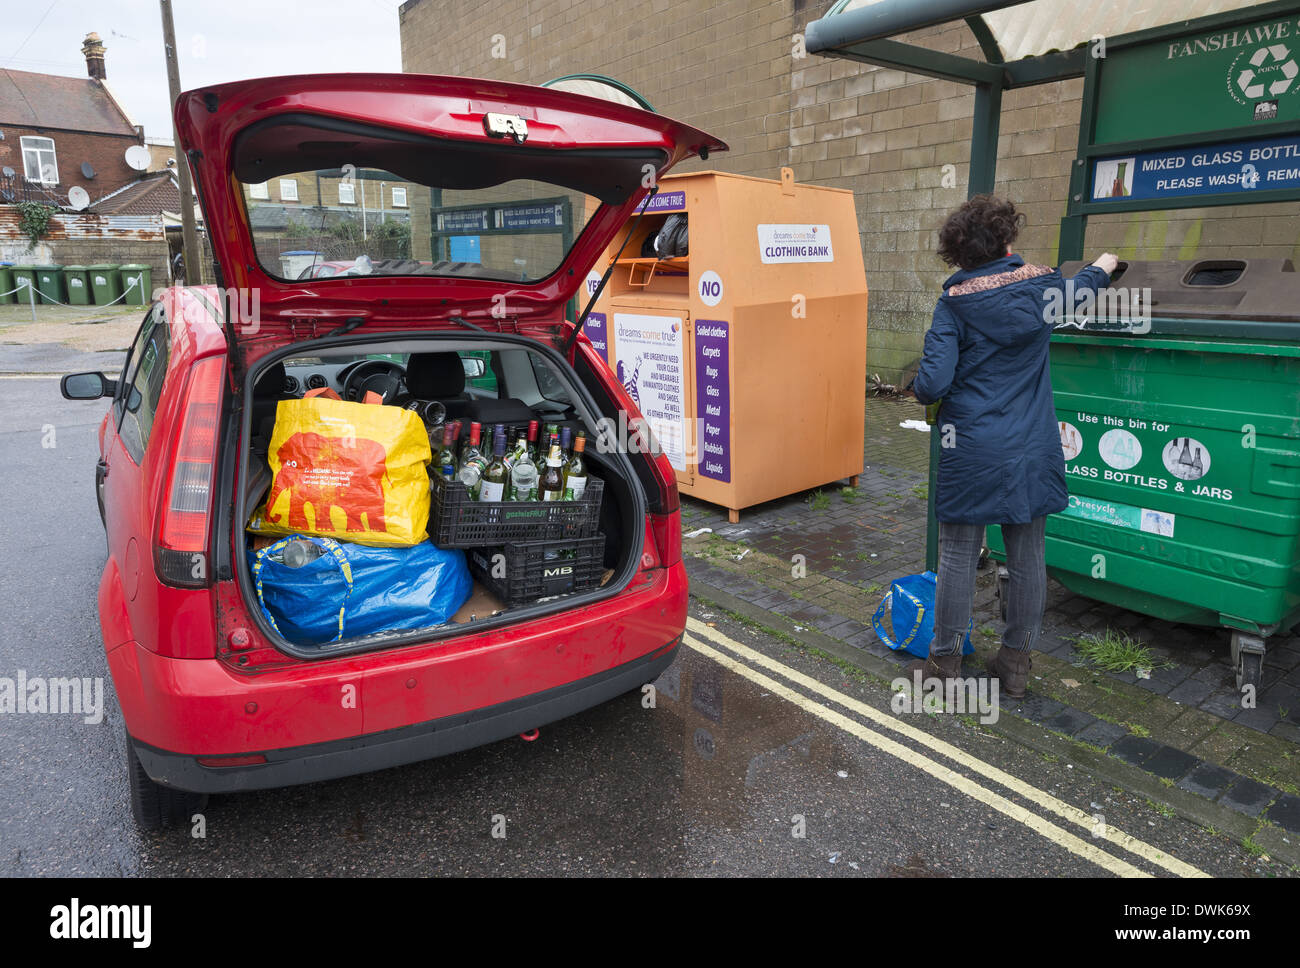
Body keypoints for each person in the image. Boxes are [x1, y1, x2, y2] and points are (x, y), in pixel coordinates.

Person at [908, 194, 1117, 698]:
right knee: (1028, 556)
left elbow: (932, 386)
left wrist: (921, 381)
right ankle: (1016, 664)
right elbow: (1080, 290)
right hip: (1031, 446)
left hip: (972, 447)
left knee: (958, 553)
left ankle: (945, 663)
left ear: (959, 255)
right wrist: (1103, 267)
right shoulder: (1045, 288)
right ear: (1005, 240)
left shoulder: (952, 306)